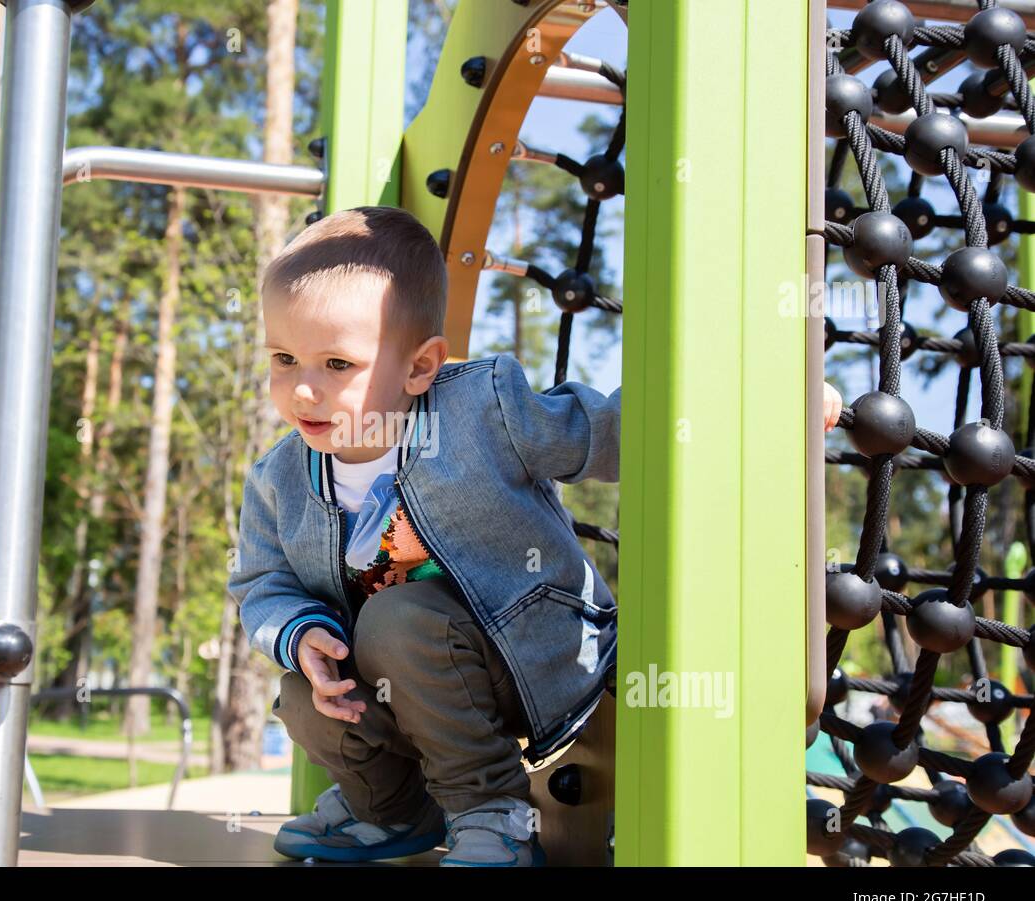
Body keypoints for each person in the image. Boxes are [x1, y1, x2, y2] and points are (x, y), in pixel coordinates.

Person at [227, 205, 844, 866]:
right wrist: (296, 631)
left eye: (337, 364)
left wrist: (761, 404)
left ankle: (495, 812)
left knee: (398, 618)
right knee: (300, 693)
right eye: (284, 358)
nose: (303, 390)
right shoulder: (278, 480)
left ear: (419, 367)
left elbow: (613, 432)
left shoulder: (483, 413)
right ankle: (390, 812)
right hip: (408, 692)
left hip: (531, 657)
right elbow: (261, 582)